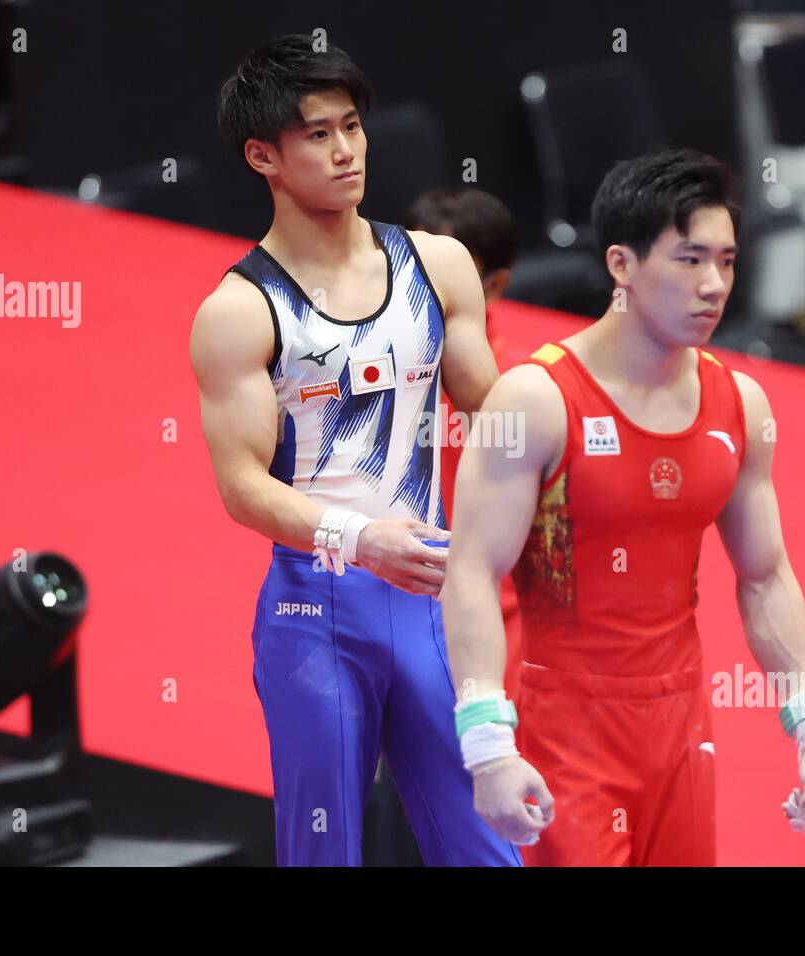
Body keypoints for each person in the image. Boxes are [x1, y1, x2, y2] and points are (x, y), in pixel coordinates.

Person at [440, 148, 805, 865]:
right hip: (565, 724)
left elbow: (765, 575)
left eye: (726, 261)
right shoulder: (536, 401)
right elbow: (471, 571)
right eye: (689, 260)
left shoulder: (739, 405)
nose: (714, 285)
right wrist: (486, 744)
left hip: (683, 726)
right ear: (621, 265)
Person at [191, 34, 517, 866]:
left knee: (489, 844)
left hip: (432, 601)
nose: (347, 152)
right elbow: (239, 487)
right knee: (322, 852)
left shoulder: (438, 266)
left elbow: (499, 409)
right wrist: (360, 539)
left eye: (353, 127)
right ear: (262, 155)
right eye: (318, 134)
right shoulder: (238, 311)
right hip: (316, 609)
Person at [402, 187, 525, 701]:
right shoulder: (361, 360)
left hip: (490, 613)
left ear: (493, 285)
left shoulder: (522, 386)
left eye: (451, 272)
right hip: (384, 602)